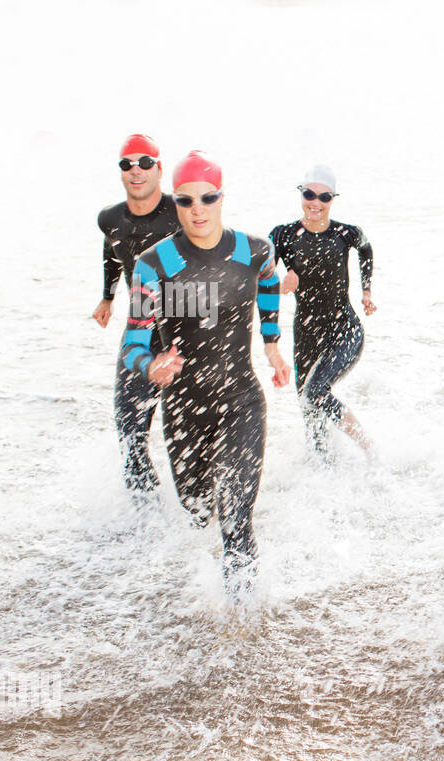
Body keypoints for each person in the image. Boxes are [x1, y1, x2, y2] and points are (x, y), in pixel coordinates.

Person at [122, 151, 290, 591]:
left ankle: (242, 623)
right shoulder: (153, 265)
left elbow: (269, 283)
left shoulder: (254, 250)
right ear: (175, 202)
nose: (197, 209)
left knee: (236, 518)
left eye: (207, 198)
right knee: (199, 512)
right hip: (184, 406)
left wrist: (271, 342)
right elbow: (132, 344)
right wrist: (150, 363)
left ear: (221, 198)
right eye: (186, 201)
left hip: (241, 398)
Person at [94, 133, 182, 496]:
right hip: (141, 329)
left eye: (145, 163)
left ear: (159, 169)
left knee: (187, 437)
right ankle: (145, 527)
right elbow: (112, 249)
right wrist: (106, 297)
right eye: (127, 164)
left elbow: (214, 249)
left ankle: (197, 517)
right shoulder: (110, 218)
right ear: (121, 172)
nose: (136, 170)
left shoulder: (182, 210)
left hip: (184, 326)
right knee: (129, 433)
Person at [270, 165, 376, 459]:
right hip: (305, 334)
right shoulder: (283, 236)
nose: (315, 203)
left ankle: (370, 449)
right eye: (309, 194)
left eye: (324, 197)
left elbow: (366, 249)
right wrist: (281, 285)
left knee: (316, 392)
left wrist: (366, 290)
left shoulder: (346, 233)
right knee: (308, 407)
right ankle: (324, 470)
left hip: (346, 330)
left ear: (333, 199)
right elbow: (258, 276)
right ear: (301, 194)